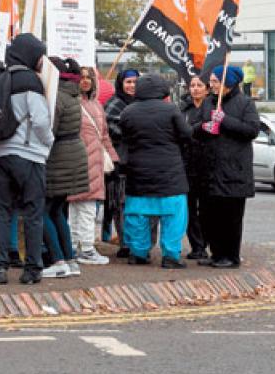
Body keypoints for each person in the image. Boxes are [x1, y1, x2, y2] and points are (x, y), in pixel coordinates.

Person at [0, 33, 53, 285]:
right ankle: (32, 269)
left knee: (4, 211)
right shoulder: (31, 80)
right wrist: (49, 142)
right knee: (32, 212)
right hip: (29, 153)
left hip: (1, 153)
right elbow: (39, 120)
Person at [118, 74, 192, 268]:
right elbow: (186, 135)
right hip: (170, 172)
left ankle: (138, 253)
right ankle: (170, 256)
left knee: (137, 215)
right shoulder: (171, 110)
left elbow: (123, 137)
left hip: (138, 171)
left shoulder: (128, 112)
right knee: (173, 215)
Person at [194, 65, 259, 268]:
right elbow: (195, 128)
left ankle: (230, 256)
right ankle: (216, 254)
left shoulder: (245, 103)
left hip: (234, 171)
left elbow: (252, 130)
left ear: (229, 83)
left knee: (230, 218)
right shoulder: (208, 102)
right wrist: (204, 128)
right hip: (209, 170)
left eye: (215, 81)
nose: (211, 85)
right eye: (211, 81)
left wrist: (225, 121)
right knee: (208, 216)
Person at [41, 57, 91, 279]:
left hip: (59, 157)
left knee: (42, 211)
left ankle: (58, 260)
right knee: (57, 210)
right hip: (73, 155)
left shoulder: (56, 98)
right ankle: (69, 259)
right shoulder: (72, 94)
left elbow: (49, 130)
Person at [68, 66, 119, 265]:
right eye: (82, 77)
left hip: (95, 161)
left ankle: (78, 246)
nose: (86, 81)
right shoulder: (73, 104)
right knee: (80, 208)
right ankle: (84, 248)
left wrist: (112, 157)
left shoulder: (97, 105)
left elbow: (104, 135)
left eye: (90, 78)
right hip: (78, 160)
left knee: (85, 207)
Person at [103, 68, 139, 257]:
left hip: (140, 162)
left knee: (137, 204)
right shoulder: (114, 104)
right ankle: (125, 242)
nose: (132, 86)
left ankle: (137, 242)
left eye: (135, 82)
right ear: (121, 83)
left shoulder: (143, 103)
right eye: (128, 82)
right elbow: (112, 128)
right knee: (120, 204)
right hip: (120, 162)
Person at [180, 74, 211, 260]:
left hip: (207, 165)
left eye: (200, 85)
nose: (195, 89)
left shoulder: (212, 107)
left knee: (206, 209)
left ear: (207, 88)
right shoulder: (184, 110)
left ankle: (206, 242)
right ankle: (197, 246)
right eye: (192, 85)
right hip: (187, 164)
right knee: (189, 208)